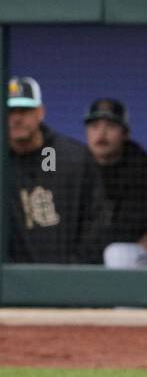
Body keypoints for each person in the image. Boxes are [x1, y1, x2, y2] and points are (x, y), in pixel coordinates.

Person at [7, 77, 108, 264]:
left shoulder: (72, 157)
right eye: (10, 111)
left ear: (40, 112)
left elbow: (97, 219)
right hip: (10, 283)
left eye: (24, 110)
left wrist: (75, 267)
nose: (16, 118)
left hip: (68, 278)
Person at [83, 97, 147, 267]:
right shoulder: (81, 166)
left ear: (126, 134)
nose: (101, 135)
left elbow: (129, 229)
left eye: (111, 126)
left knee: (117, 254)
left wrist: (88, 239)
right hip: (117, 245)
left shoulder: (142, 167)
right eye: (94, 127)